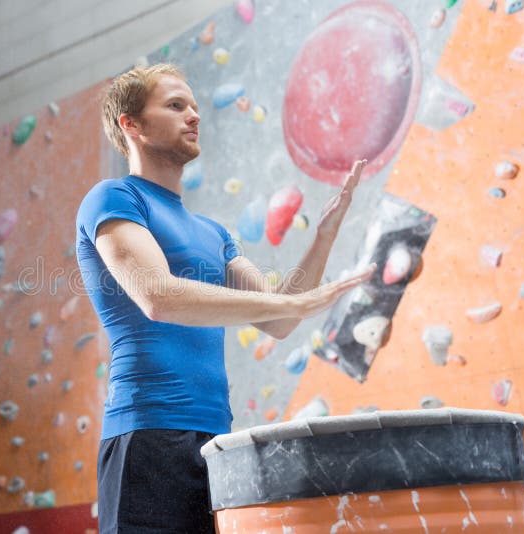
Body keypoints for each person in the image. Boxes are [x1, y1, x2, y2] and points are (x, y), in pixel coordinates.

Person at [75, 63, 375, 533]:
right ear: (130, 125)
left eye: (195, 106)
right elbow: (158, 296)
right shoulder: (112, 198)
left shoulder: (213, 233)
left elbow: (277, 318)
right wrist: (291, 304)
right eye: (176, 106)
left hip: (216, 442)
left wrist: (323, 237)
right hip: (147, 436)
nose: (194, 116)